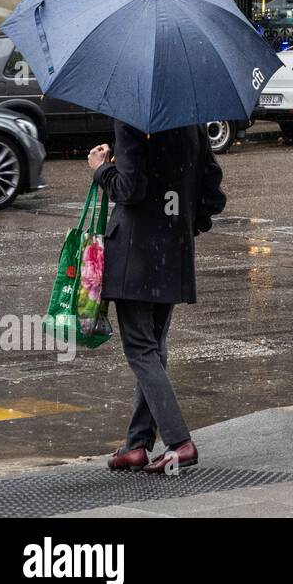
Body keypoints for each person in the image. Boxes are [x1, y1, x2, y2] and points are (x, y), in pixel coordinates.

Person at [88, 122, 225, 473]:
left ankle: (180, 442)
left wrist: (102, 168)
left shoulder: (132, 120)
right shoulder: (191, 120)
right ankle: (136, 445)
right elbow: (212, 189)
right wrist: (188, 225)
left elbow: (130, 189)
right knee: (154, 348)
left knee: (141, 349)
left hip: (135, 255)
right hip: (173, 251)